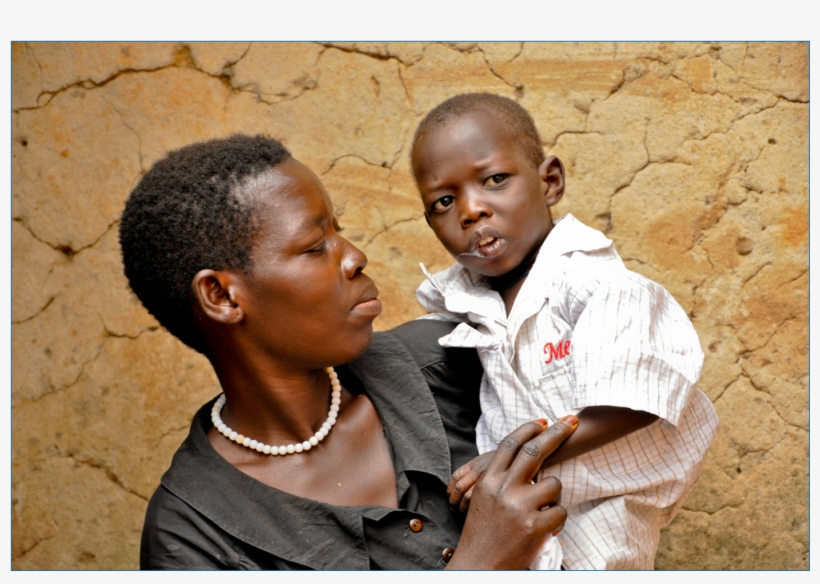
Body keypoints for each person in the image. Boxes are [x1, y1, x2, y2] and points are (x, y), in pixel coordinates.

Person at [119, 134, 576, 570]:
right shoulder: (192, 537)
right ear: (222, 296)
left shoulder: (453, 359)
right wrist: (482, 561)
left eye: (339, 231)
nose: (355, 256)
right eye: (316, 246)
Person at [411, 93, 720, 570]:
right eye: (443, 202)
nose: (471, 211)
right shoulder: (466, 304)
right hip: (520, 517)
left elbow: (633, 400)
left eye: (495, 180)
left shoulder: (594, 284)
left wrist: (515, 459)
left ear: (549, 181)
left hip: (607, 503)